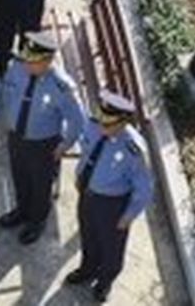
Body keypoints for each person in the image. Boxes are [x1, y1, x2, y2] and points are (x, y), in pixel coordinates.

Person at [0, 31, 86, 244]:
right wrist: (6, 119)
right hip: (17, 136)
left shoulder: (61, 86)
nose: (27, 65)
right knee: (19, 176)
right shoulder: (17, 68)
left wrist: (64, 146)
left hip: (43, 144)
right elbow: (5, 93)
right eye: (27, 59)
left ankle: (36, 221)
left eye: (33, 62)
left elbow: (77, 120)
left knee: (40, 185)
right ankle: (21, 210)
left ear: (48, 60)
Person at [66, 90, 154, 303]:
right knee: (88, 235)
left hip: (112, 204)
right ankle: (88, 269)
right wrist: (80, 176)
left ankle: (104, 282)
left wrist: (128, 216)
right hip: (87, 194)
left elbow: (144, 188)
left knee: (111, 247)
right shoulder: (94, 124)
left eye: (108, 124)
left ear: (123, 122)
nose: (102, 127)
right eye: (101, 121)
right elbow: (86, 150)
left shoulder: (133, 149)